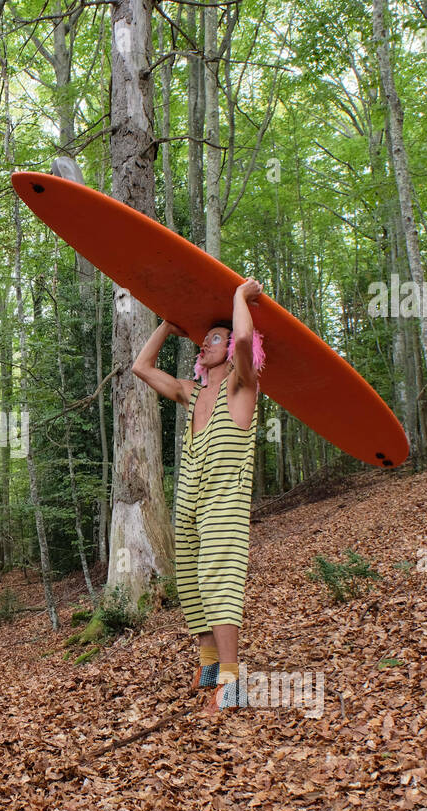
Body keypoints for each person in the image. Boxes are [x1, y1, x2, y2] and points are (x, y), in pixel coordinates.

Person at [131, 278, 266, 713]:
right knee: (191, 582)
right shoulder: (193, 394)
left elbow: (243, 336)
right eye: (203, 338)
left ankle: (231, 683)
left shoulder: (242, 387)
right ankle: (208, 666)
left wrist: (239, 297)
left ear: (230, 350)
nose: (204, 344)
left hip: (223, 502)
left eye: (214, 338)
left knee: (219, 581)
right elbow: (141, 367)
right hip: (189, 499)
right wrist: (168, 325)